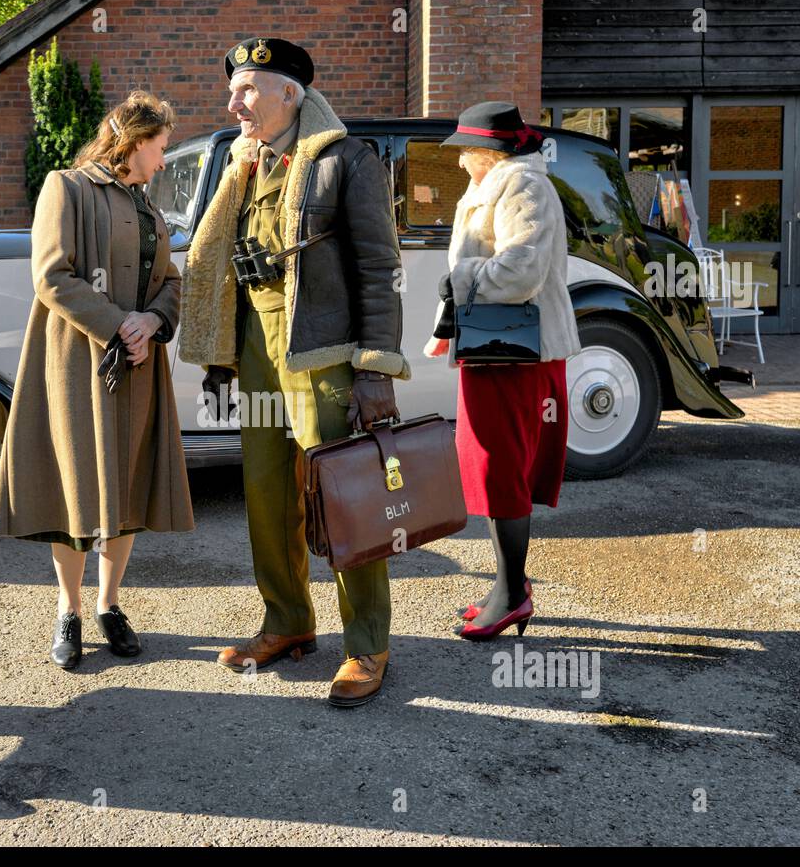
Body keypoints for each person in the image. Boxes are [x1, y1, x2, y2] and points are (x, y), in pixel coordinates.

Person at [180, 37, 408, 707]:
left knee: (347, 499)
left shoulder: (345, 161)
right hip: (256, 346)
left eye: (248, 88)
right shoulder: (241, 162)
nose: (234, 103)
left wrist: (373, 369)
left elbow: (379, 271)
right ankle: (287, 621)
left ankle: (367, 643)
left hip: (323, 354)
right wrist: (221, 355)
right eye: (233, 90)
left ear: (290, 93)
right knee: (266, 491)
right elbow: (220, 258)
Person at [0, 91, 194, 671]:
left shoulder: (148, 207)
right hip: (80, 363)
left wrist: (153, 320)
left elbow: (170, 281)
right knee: (77, 486)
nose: (162, 160)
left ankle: (109, 606)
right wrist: (116, 324)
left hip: (137, 366)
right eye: (160, 148)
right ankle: (69, 610)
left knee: (125, 488)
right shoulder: (66, 187)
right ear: (132, 143)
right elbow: (51, 275)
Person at [424, 101, 581, 640]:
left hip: (516, 356)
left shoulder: (523, 187)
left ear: (490, 152)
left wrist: (462, 280)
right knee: (492, 468)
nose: (461, 161)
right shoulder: (500, 184)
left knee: (501, 469)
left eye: (466, 150)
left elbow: (523, 268)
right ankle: (507, 587)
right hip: (497, 349)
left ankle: (512, 594)